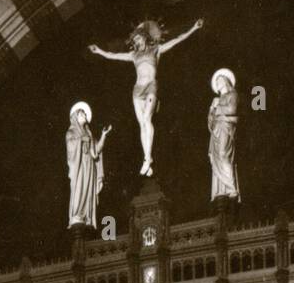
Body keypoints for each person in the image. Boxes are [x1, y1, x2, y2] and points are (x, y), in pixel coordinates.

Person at [89, 17, 204, 176]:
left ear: (145, 38)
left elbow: (177, 40)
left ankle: (147, 158)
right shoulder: (133, 55)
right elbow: (113, 55)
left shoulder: (156, 49)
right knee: (142, 123)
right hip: (137, 89)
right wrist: (99, 51)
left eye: (139, 37)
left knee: (147, 119)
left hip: (151, 86)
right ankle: (147, 160)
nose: (137, 41)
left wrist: (194, 28)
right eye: (135, 39)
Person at [66, 102, 111, 228]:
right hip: (79, 166)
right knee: (79, 189)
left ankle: (86, 215)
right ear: (76, 116)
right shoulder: (71, 132)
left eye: (85, 113)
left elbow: (96, 151)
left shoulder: (89, 134)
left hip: (89, 166)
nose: (85, 115)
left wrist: (103, 136)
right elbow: (71, 148)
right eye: (82, 113)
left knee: (87, 190)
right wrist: (81, 140)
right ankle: (77, 214)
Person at [208, 68, 240, 200]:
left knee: (222, 154)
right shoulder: (216, 99)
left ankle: (231, 187)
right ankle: (222, 189)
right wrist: (211, 108)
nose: (217, 83)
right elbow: (210, 119)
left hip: (225, 127)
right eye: (216, 81)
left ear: (226, 81)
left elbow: (232, 109)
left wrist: (218, 107)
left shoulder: (232, 95)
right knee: (213, 157)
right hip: (216, 130)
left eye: (219, 80)